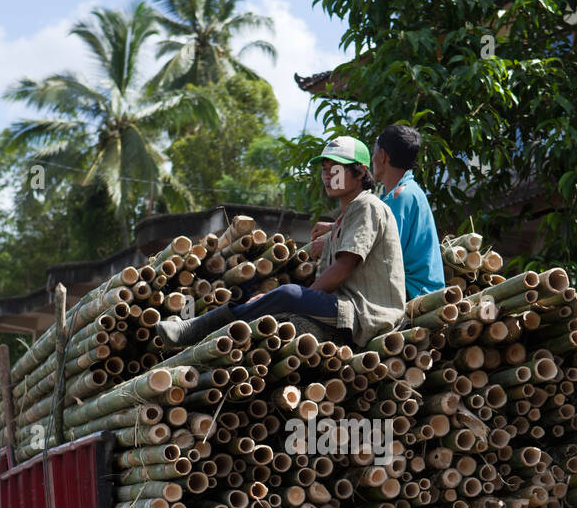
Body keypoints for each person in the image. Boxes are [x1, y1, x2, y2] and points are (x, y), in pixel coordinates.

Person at [155, 136, 406, 351]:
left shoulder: (367, 205)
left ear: (361, 171)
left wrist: (299, 297)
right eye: (325, 169)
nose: (328, 176)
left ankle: (194, 330)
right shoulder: (345, 217)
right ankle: (205, 330)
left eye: (336, 168)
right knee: (272, 298)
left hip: (367, 314)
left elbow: (344, 266)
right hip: (345, 309)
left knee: (287, 294)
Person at [371, 123, 445, 301]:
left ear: (382, 156)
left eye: (374, 151)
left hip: (414, 292)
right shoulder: (401, 192)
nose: (371, 158)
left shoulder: (401, 197)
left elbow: (379, 254)